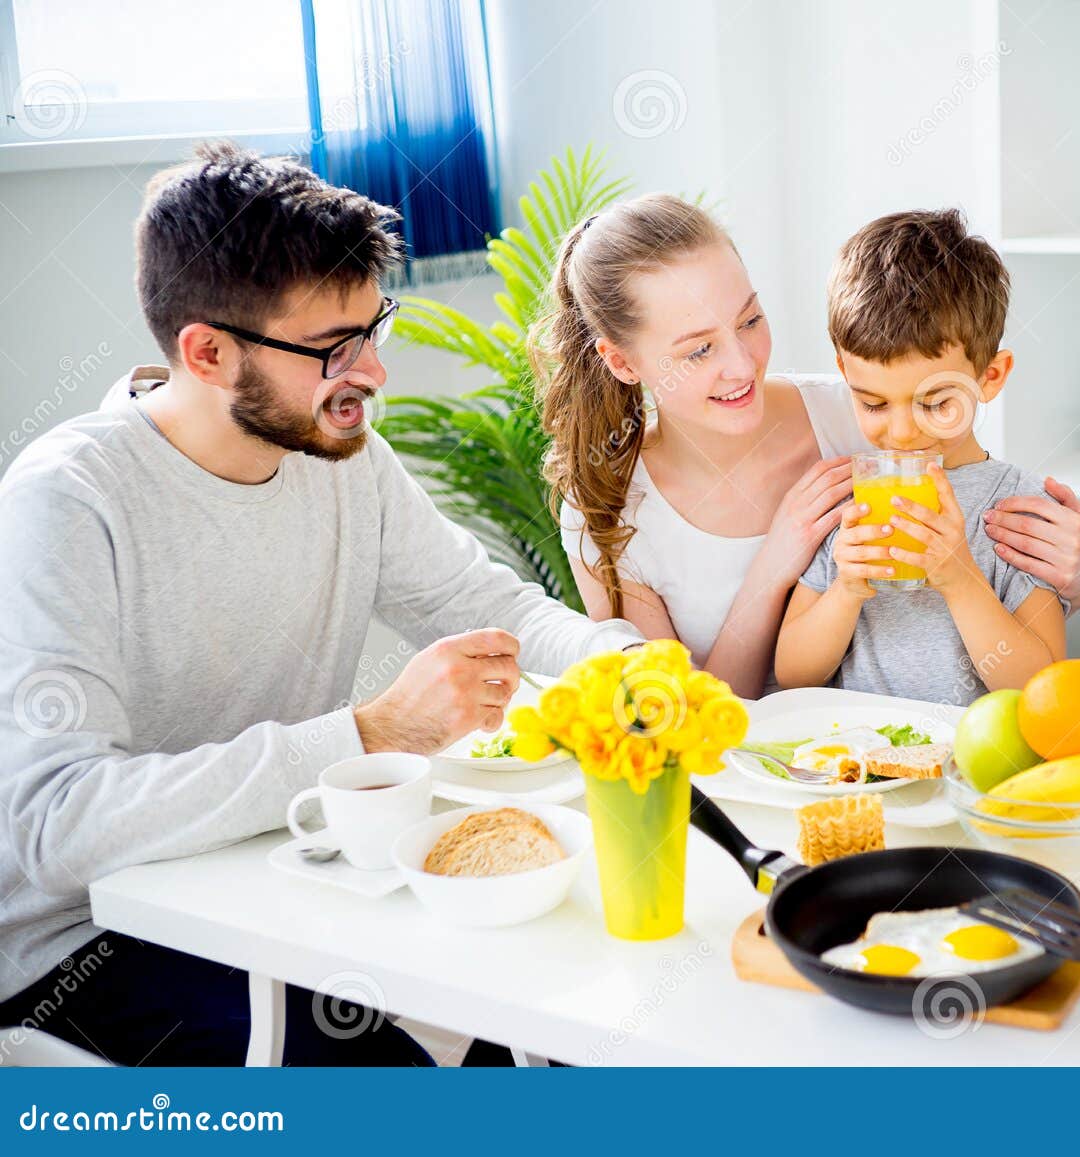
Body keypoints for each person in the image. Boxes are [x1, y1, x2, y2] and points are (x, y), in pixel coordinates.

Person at [0, 142, 642, 1064]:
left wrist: (619, 662)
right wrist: (370, 735)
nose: (373, 371)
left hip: (282, 877)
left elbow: (483, 602)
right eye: (334, 349)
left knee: (547, 1030)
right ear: (208, 352)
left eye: (372, 328)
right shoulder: (68, 499)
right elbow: (58, 827)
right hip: (82, 946)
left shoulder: (343, 456)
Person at [543, 195, 1080, 699]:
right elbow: (684, 719)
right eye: (698, 351)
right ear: (621, 361)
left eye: (751, 320)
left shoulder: (871, 412)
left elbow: (989, 522)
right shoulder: (606, 510)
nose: (742, 366)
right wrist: (774, 570)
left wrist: (1079, 569)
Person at [772, 209, 1065, 705]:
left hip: (974, 773)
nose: (903, 433)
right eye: (873, 403)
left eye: (935, 402)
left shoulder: (1019, 507)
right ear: (844, 371)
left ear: (990, 377)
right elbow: (793, 674)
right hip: (860, 764)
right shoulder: (852, 498)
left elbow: (1045, 690)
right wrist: (844, 590)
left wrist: (961, 578)